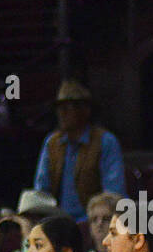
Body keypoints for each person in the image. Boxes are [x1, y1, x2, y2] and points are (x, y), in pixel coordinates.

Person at [33, 80, 126, 222]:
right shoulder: (52, 143)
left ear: (85, 111)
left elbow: (114, 194)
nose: (61, 114)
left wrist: (94, 219)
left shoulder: (105, 141)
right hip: (58, 220)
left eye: (67, 108)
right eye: (59, 108)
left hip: (92, 220)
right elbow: (41, 190)